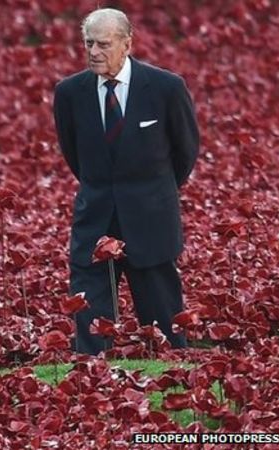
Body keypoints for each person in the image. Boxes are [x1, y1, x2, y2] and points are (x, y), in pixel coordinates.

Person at [52, 8, 200, 355]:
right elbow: (73, 154)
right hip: (95, 219)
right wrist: (105, 189)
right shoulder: (70, 93)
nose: (94, 52)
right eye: (89, 43)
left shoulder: (166, 88)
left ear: (127, 44)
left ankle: (171, 370)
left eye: (103, 44)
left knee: (163, 316)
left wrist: (153, 190)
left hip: (151, 218)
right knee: (89, 314)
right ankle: (89, 382)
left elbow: (185, 152)